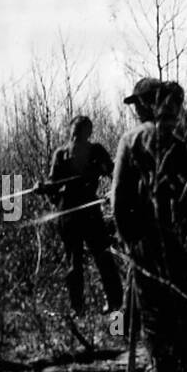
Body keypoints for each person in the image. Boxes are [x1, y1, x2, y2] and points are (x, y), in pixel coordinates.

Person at [112, 77, 187, 372]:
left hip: (149, 243)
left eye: (139, 104)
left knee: (157, 317)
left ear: (147, 104)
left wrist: (129, 241)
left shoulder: (132, 139)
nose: (136, 110)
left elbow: (118, 199)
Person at [47, 115, 123, 315]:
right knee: (74, 262)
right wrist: (48, 193)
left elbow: (113, 173)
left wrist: (112, 192)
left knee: (103, 257)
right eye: (74, 133)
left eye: (81, 132)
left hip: (91, 212)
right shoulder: (60, 154)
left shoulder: (97, 151)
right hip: (68, 214)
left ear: (88, 134)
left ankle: (114, 303)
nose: (76, 137)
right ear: (70, 133)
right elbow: (52, 184)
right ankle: (77, 307)